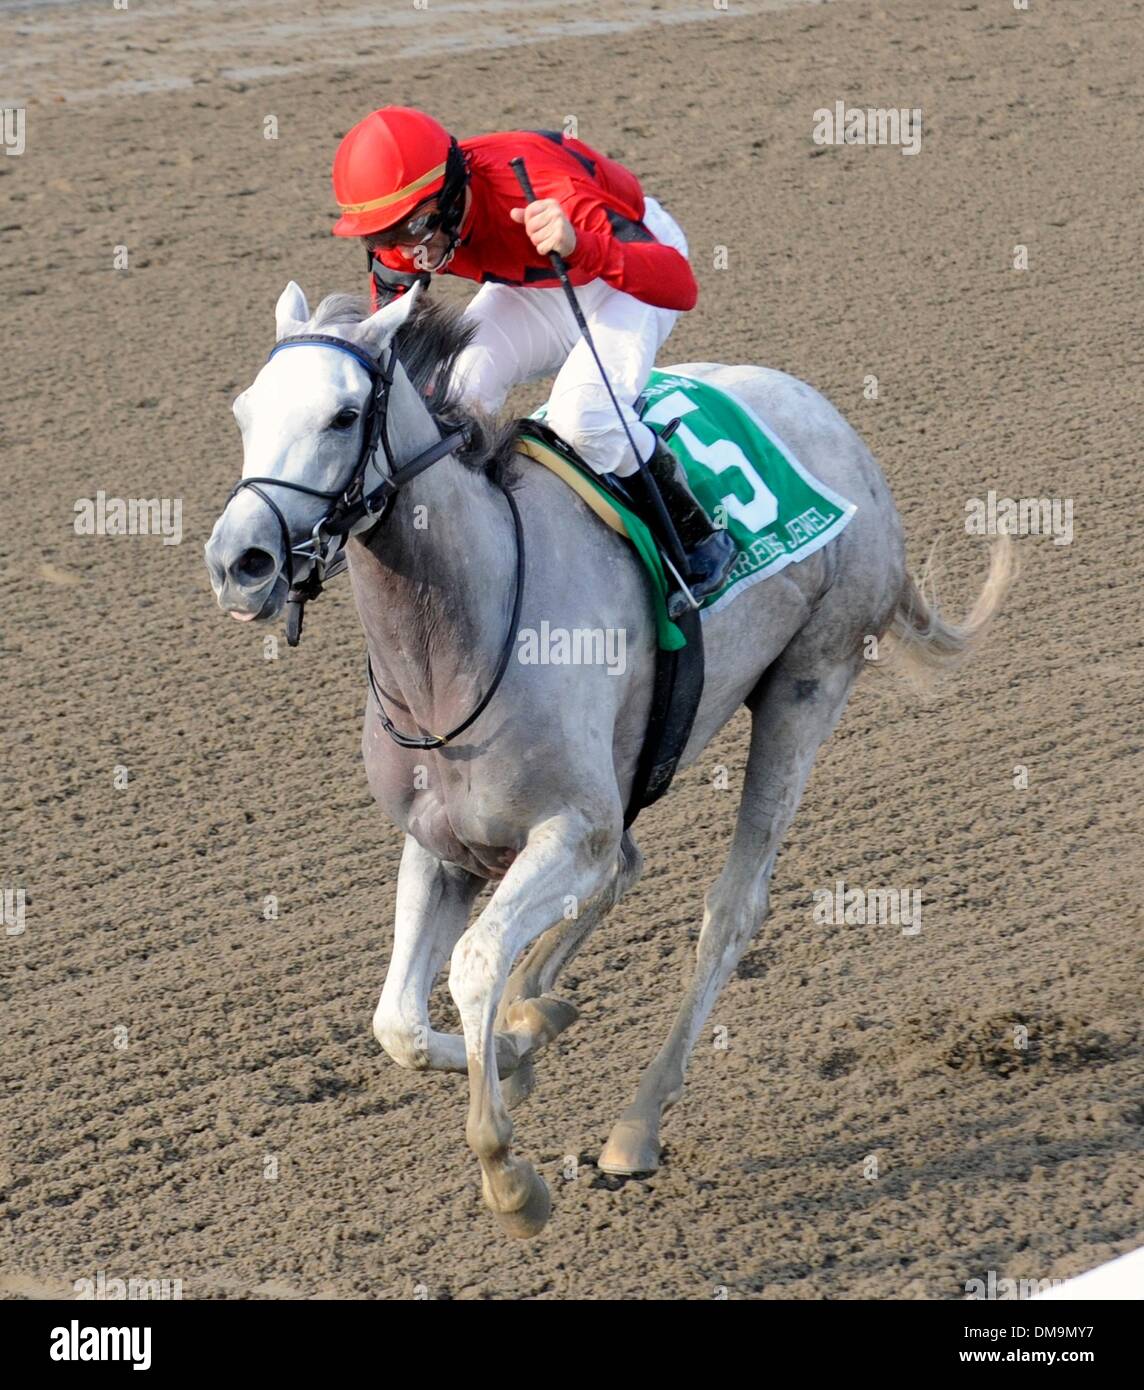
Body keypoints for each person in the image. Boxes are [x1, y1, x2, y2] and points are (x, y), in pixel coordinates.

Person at [330, 106, 735, 597]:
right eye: (382, 237)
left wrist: (581, 245)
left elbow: (679, 284)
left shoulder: (546, 188)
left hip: (620, 268)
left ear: (455, 193)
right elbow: (397, 347)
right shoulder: (405, 228)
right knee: (448, 397)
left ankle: (695, 537)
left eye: (412, 231)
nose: (405, 250)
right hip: (533, 279)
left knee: (584, 417)